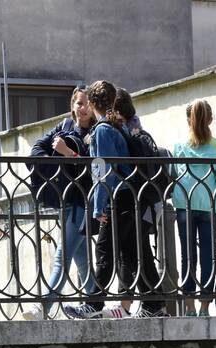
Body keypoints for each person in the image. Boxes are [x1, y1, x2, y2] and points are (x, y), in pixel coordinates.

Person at [71, 80, 143, 319]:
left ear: (91, 104)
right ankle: (152, 303)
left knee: (104, 251)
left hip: (116, 197)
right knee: (129, 253)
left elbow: (102, 170)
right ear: (112, 101)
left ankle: (93, 305)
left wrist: (98, 206)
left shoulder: (102, 130)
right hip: (129, 195)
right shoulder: (117, 127)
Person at [25, 87, 95, 319]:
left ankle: (43, 306)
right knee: (82, 259)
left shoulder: (97, 132)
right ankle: (94, 303)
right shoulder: (64, 127)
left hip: (83, 200)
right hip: (64, 198)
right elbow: (36, 149)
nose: (82, 108)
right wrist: (55, 162)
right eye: (78, 103)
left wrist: (68, 154)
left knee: (62, 256)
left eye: (86, 103)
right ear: (72, 106)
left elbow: (94, 167)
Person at [170, 98, 216, 317]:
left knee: (187, 256)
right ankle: (205, 307)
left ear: (189, 120)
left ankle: (189, 307)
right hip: (209, 205)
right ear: (211, 120)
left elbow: (173, 176)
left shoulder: (179, 147)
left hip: (183, 204)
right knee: (208, 256)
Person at [115, 88, 169, 316]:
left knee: (130, 252)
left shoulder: (127, 133)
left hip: (135, 200)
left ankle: (130, 306)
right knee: (139, 251)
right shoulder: (137, 129)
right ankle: (153, 305)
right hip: (146, 200)